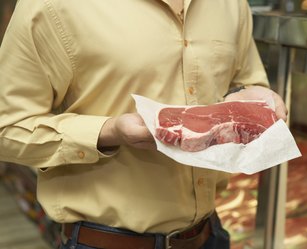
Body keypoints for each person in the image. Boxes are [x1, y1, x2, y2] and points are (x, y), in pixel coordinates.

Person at [0, 0, 287, 248]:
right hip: (104, 243)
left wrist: (254, 99)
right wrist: (108, 132)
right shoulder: (55, 5)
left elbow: (244, 83)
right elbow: (7, 127)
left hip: (209, 235)